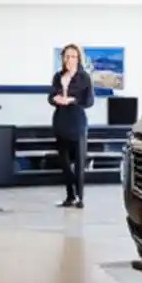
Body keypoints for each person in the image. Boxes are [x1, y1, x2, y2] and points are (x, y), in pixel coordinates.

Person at [48, 43, 94, 208]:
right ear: (63, 58)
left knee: (80, 162)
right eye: (67, 56)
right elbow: (50, 96)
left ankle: (80, 197)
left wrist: (73, 100)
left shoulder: (84, 77)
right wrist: (56, 99)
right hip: (61, 121)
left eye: (73, 56)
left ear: (78, 58)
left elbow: (89, 101)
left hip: (77, 122)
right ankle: (70, 196)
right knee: (65, 163)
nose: (70, 59)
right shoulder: (57, 76)